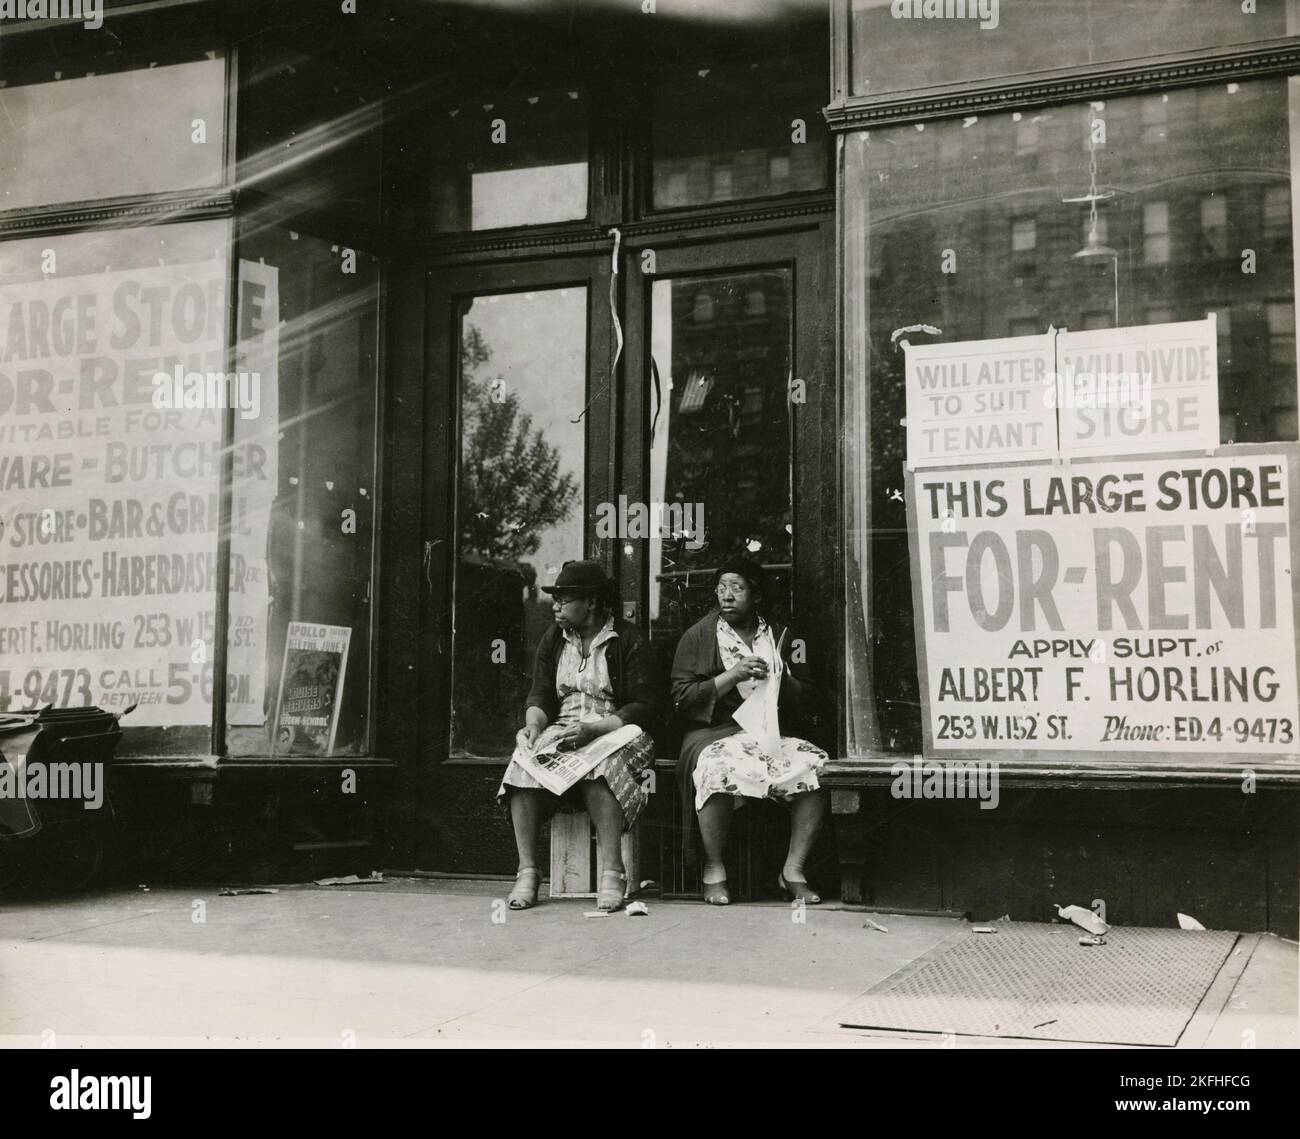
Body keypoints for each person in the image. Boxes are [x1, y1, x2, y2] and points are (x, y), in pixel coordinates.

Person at [499, 560, 660, 912]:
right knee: (521, 765)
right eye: (554, 600)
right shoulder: (555, 639)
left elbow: (645, 705)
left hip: (618, 731)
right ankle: (527, 871)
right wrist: (534, 725)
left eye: (564, 599)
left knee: (598, 768)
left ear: (591, 602)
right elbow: (540, 694)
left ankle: (612, 873)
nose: (555, 607)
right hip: (566, 730)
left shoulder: (627, 639)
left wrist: (597, 729)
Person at [670, 556, 828, 905]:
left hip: (769, 732)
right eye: (722, 588)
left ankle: (793, 870)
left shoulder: (780, 634)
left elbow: (812, 695)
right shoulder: (698, 636)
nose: (726, 596)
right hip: (717, 733)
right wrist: (733, 676)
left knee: (816, 765)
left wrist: (783, 679)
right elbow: (681, 699)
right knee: (717, 768)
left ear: (756, 595)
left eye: (736, 589)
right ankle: (714, 871)